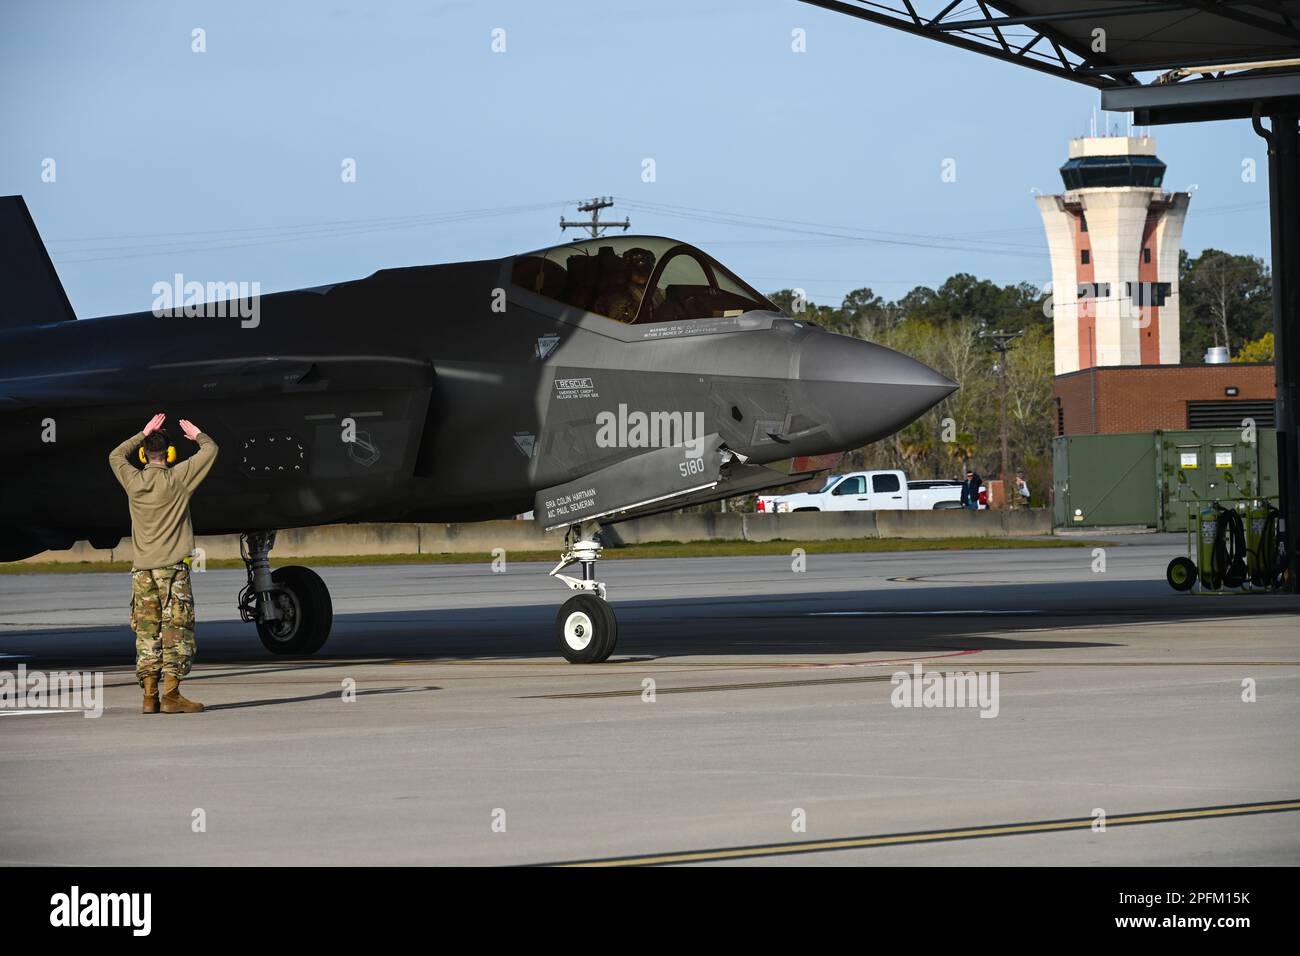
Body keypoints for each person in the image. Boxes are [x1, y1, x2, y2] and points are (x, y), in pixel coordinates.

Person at [109, 414, 219, 714]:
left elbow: (116, 455)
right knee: (177, 629)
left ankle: (149, 697)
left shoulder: (132, 481)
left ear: (144, 454)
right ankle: (171, 695)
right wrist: (198, 434)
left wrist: (141, 432)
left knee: (147, 632)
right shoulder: (178, 479)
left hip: (141, 571)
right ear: (169, 455)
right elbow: (211, 450)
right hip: (172, 569)